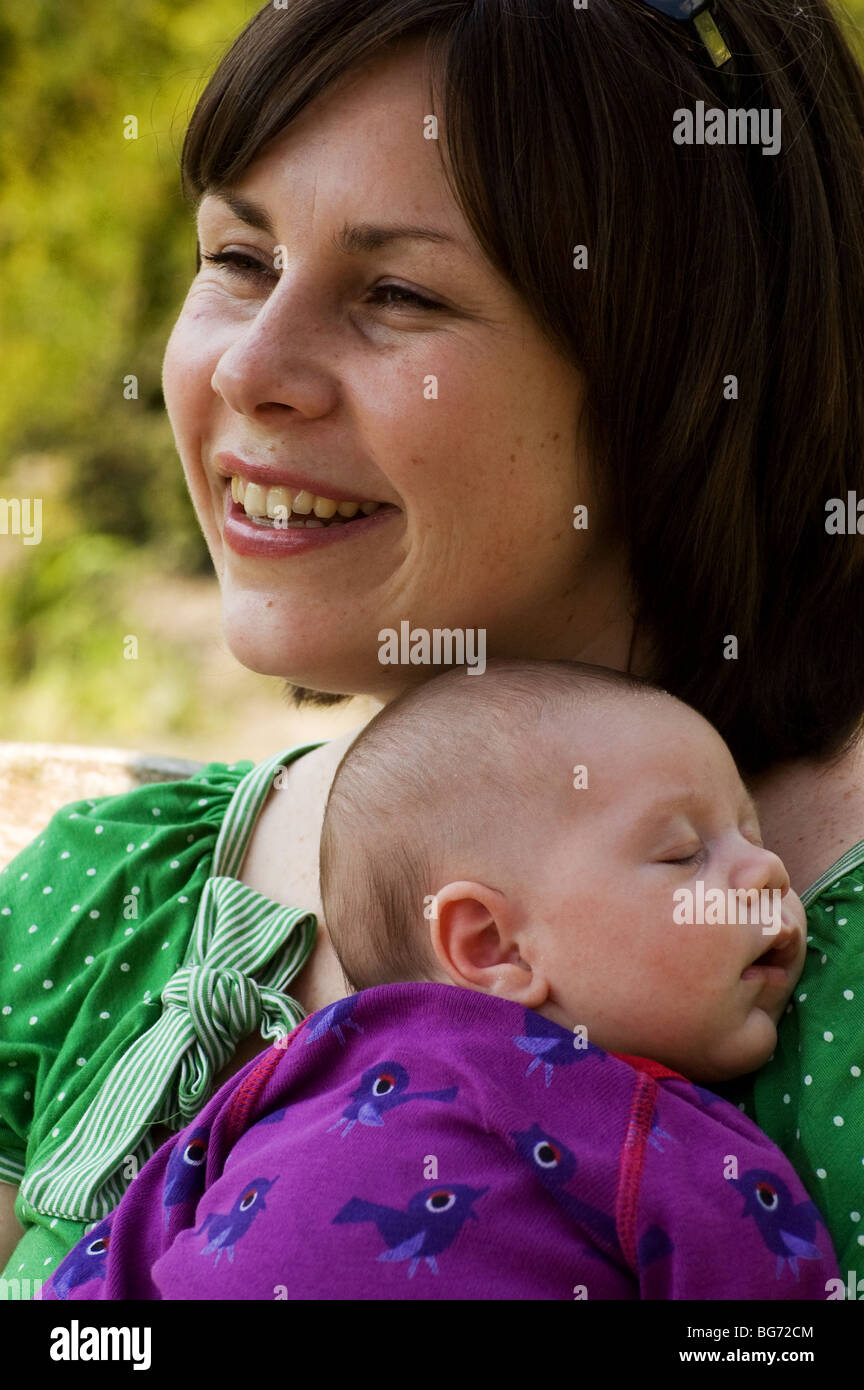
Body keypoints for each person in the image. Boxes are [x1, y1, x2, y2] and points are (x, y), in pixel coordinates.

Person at [2, 0, 864, 1293]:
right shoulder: (107, 900)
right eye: (238, 257)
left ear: (678, 368)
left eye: (395, 292)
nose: (251, 368)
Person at [38, 661, 839, 1300]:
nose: (769, 871)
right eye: (682, 854)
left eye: (753, 836)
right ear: (492, 944)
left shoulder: (674, 1138)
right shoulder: (644, 1132)